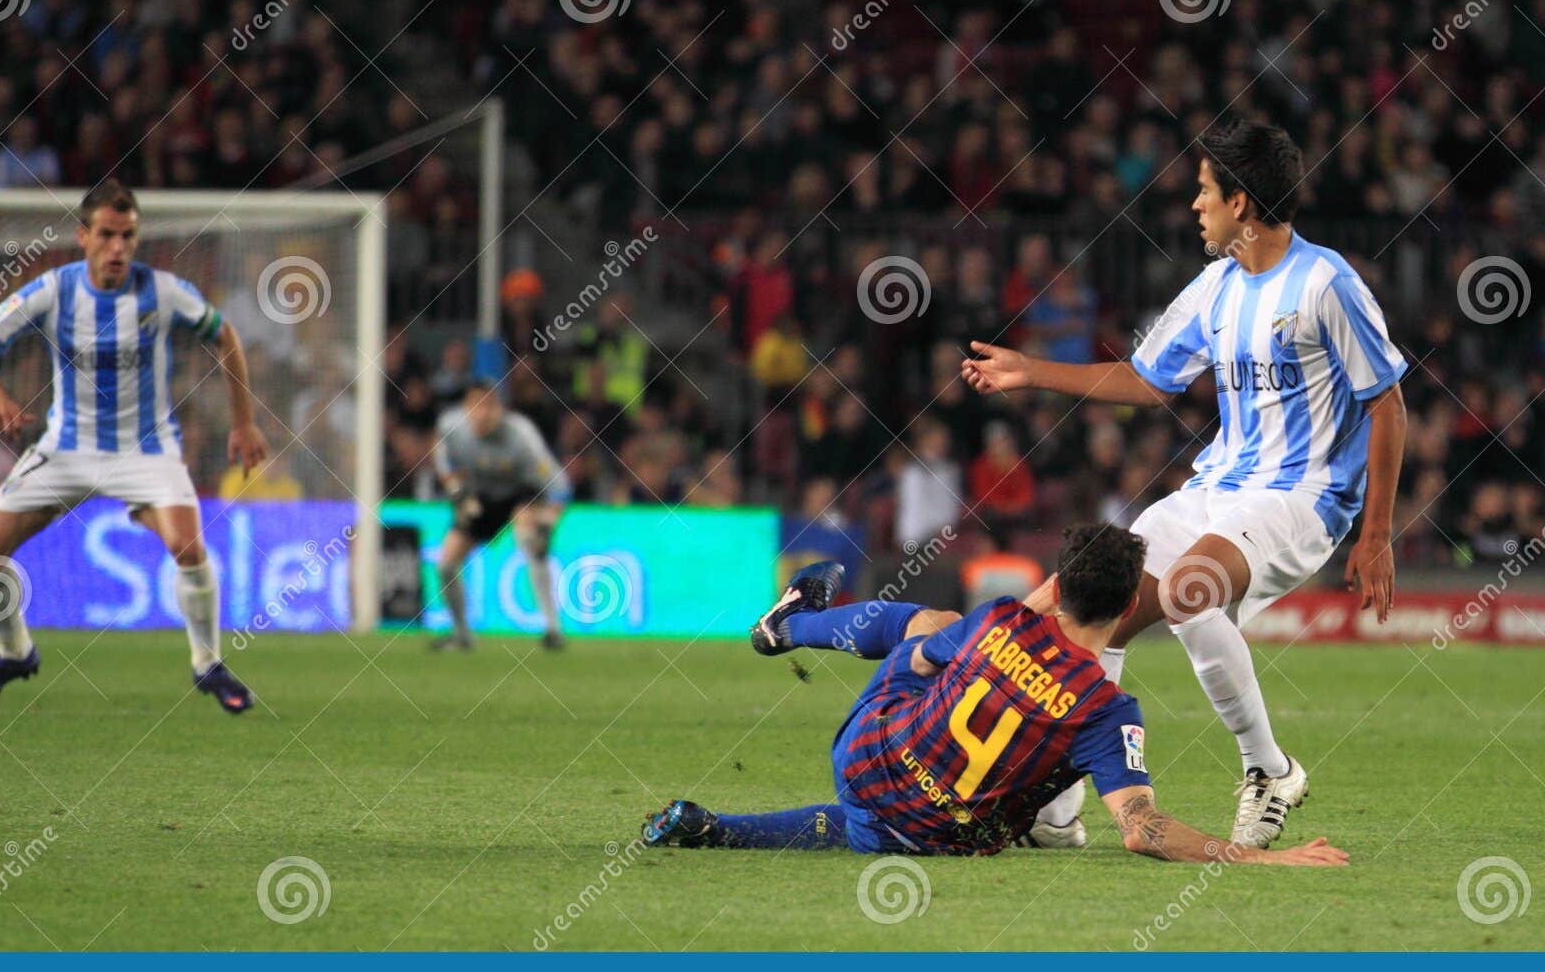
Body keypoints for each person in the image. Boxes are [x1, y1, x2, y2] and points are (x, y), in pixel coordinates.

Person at [963, 120, 1408, 846]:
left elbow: (1387, 402)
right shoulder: (1217, 285)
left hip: (1304, 497)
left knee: (1189, 588)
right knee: (1092, 608)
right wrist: (1031, 372)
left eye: (1204, 191)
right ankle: (1059, 812)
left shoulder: (1326, 284)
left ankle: (1269, 770)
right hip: (1219, 488)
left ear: (1241, 201)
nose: (1195, 204)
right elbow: (1148, 379)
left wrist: (1377, 532)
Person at [643, 524, 1348, 867]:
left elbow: (931, 656)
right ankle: (786, 635)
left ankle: (789, 627)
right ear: (1133, 604)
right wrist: (1261, 857)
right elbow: (1142, 828)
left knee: (927, 634)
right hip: (943, 836)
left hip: (865, 762)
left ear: (1057, 584)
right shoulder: (1109, 710)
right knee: (915, 807)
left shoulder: (1001, 618)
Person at [0, 179, 268, 712]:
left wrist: (243, 422)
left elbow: (226, 337)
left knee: (189, 549)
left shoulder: (162, 291)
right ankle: (15, 653)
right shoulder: (55, 289)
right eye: (106, 235)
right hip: (66, 449)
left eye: (128, 236)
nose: (118, 247)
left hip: (146, 451)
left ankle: (208, 664)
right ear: (83, 237)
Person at [431, 379, 570, 651]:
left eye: (489, 406)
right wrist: (456, 490)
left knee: (529, 539)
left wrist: (547, 524)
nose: (482, 414)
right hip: (481, 497)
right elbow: (442, 457)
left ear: (501, 409)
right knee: (446, 564)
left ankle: (553, 630)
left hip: (522, 493)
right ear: (466, 407)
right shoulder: (451, 427)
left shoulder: (522, 436)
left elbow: (560, 485)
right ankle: (461, 635)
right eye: (476, 406)